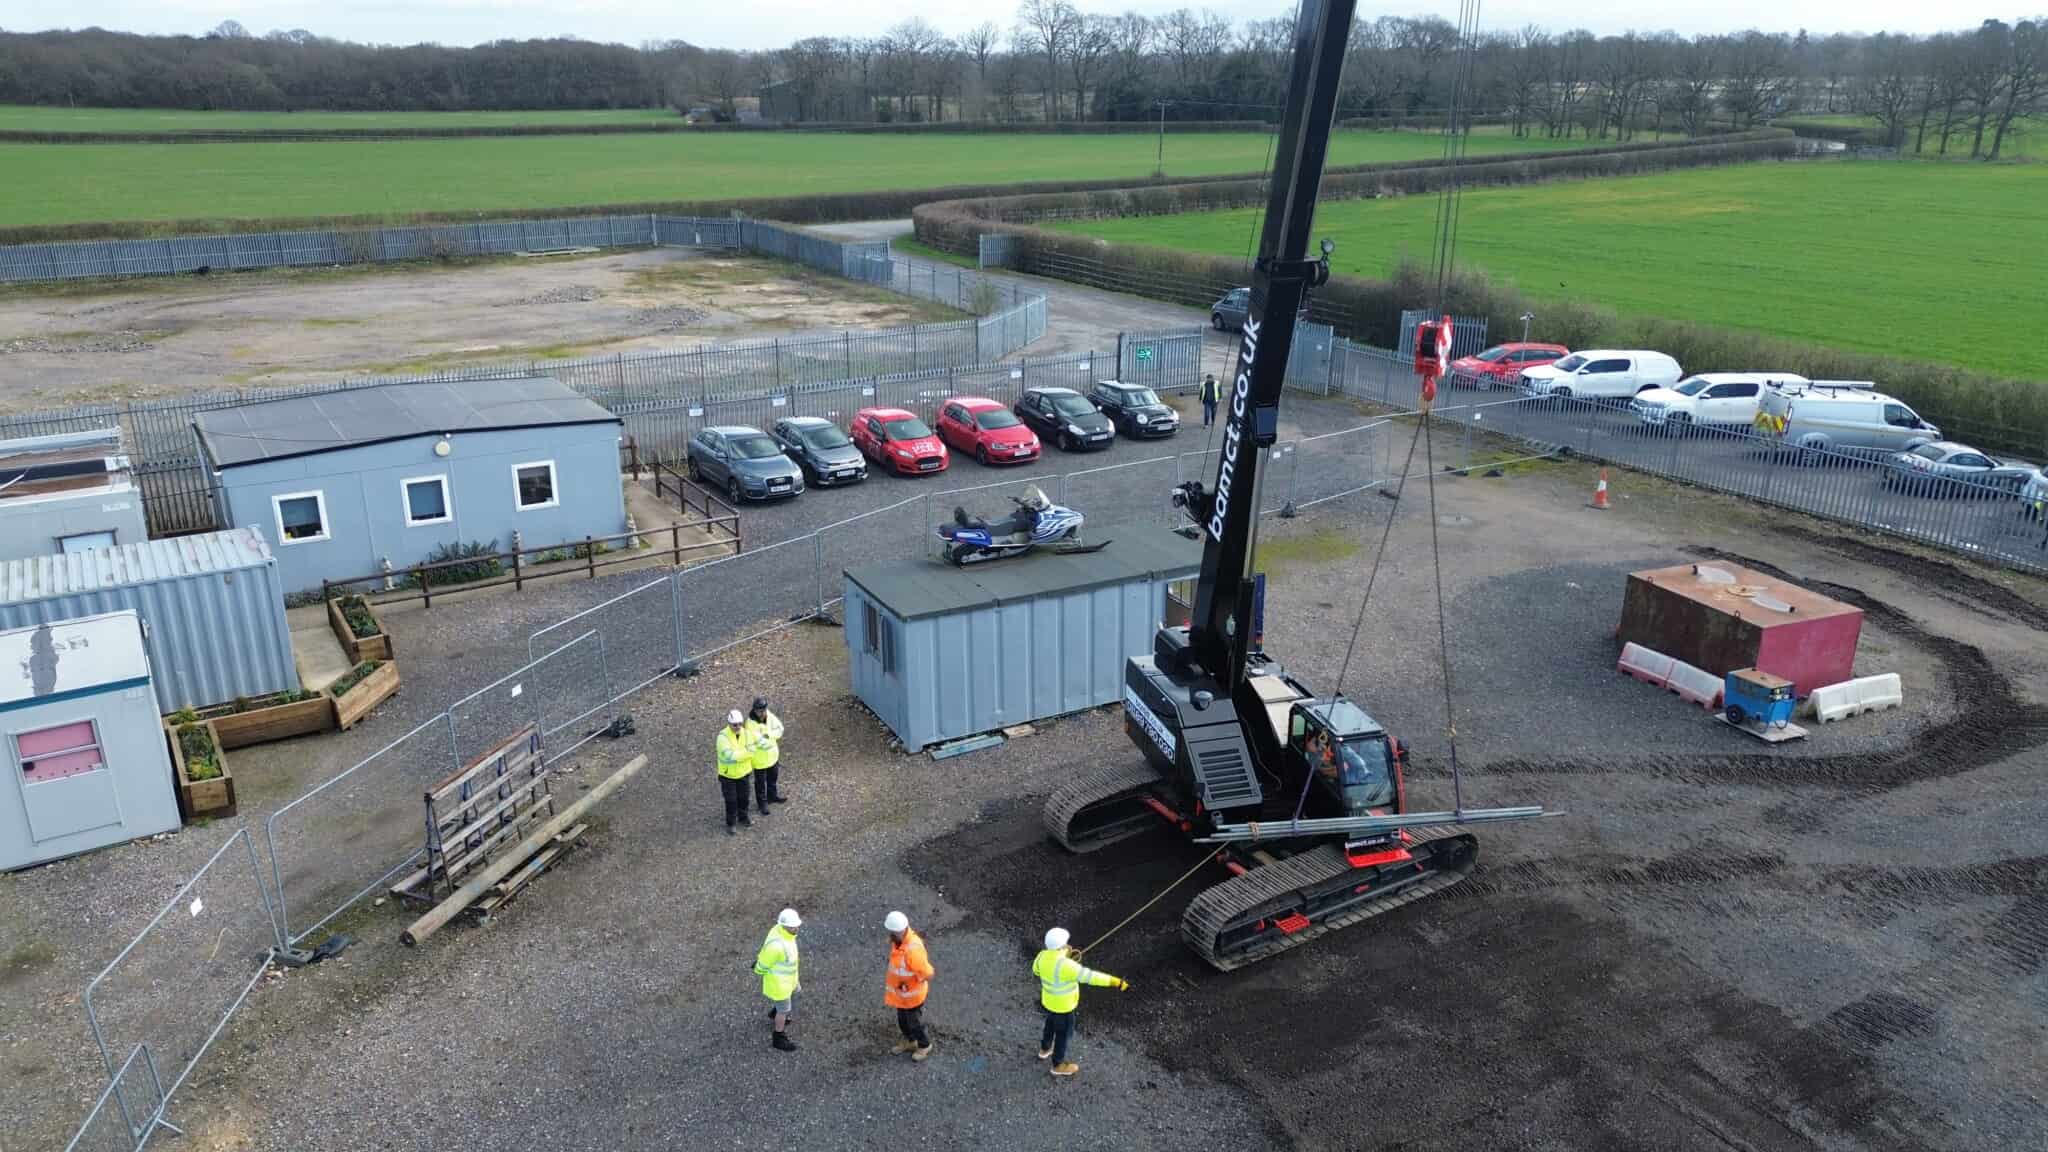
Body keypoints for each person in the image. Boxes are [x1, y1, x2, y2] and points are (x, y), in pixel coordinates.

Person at [1031, 927, 1127, 1077]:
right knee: (1062, 1036)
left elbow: (1036, 970)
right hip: (1064, 1008)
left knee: (1049, 1026)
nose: (1068, 945)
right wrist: (1114, 981)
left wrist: (1063, 959)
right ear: (1062, 946)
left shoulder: (1042, 956)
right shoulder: (1067, 966)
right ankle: (1058, 1065)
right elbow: (1091, 977)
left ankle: (1044, 1049)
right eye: (1066, 943)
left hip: (1049, 1002)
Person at [883, 910, 935, 1061]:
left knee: (915, 1023)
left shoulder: (913, 950)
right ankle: (910, 1041)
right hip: (902, 995)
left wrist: (910, 984)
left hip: (912, 996)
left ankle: (924, 1045)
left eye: (892, 931)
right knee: (903, 1021)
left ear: (898, 931)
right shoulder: (898, 942)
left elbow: (927, 973)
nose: (890, 934)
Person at [754, 908, 802, 1052]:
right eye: (793, 926)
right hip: (780, 985)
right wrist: (758, 968)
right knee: (784, 1010)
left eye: (797, 925)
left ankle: (775, 1012)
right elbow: (762, 964)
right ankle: (778, 1037)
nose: (796, 928)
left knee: (790, 998)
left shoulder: (780, 932)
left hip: (789, 980)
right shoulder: (778, 946)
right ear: (784, 926)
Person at [715, 709, 754, 835]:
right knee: (731, 801)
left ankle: (743, 817)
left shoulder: (747, 734)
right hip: (728, 776)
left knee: (744, 798)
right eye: (734, 724)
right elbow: (729, 756)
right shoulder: (722, 737)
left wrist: (739, 755)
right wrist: (745, 753)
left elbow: (752, 750)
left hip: (743, 773)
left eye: (740, 724)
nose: (737, 727)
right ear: (729, 723)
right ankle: (731, 824)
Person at [746, 696, 787, 814]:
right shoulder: (750, 724)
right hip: (759, 760)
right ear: (754, 710)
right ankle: (762, 804)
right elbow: (760, 743)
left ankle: (772, 796)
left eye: (763, 710)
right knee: (760, 784)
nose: (762, 713)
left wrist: (768, 735)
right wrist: (772, 737)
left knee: (772, 779)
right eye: (759, 711)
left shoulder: (769, 715)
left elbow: (780, 729)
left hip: (773, 757)